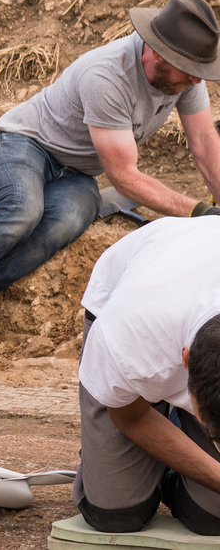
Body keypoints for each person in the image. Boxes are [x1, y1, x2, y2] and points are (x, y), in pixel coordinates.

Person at [0, 0, 220, 350]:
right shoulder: (108, 75)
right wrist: (199, 212)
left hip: (76, 174)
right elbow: (123, 176)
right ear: (157, 53)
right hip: (20, 144)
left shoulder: (185, 76)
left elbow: (205, 144)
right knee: (23, 209)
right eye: (187, 70)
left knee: (66, 221)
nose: (195, 79)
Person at [74, 216, 220, 535]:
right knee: (116, 515)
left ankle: (173, 459)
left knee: (213, 516)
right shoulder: (125, 336)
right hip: (135, 305)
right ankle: (131, 452)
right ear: (185, 361)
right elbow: (132, 417)